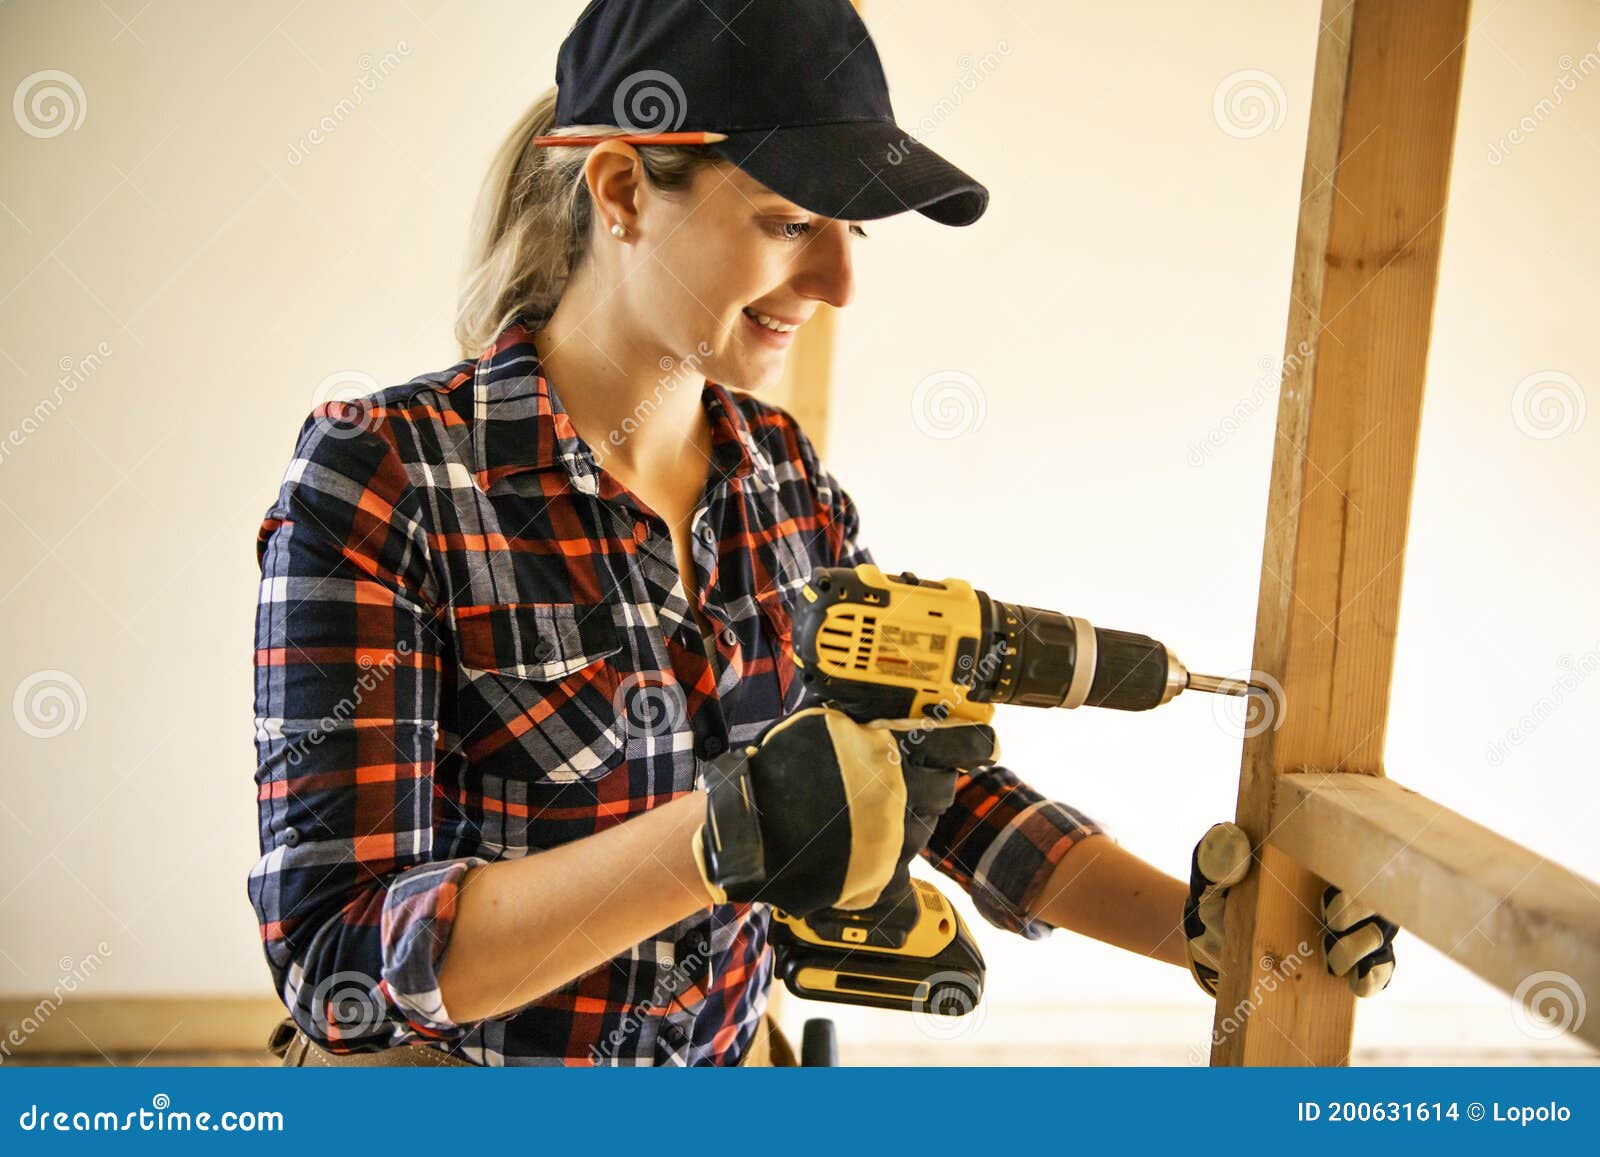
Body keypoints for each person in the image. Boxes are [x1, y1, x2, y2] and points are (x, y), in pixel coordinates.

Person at [250, 0, 1397, 1068]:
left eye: (851, 227)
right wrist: (716, 842)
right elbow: (337, 960)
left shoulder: (785, 480)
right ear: (620, 191)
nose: (840, 278)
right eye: (789, 220)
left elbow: (910, 774)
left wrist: (1212, 936)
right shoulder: (387, 474)